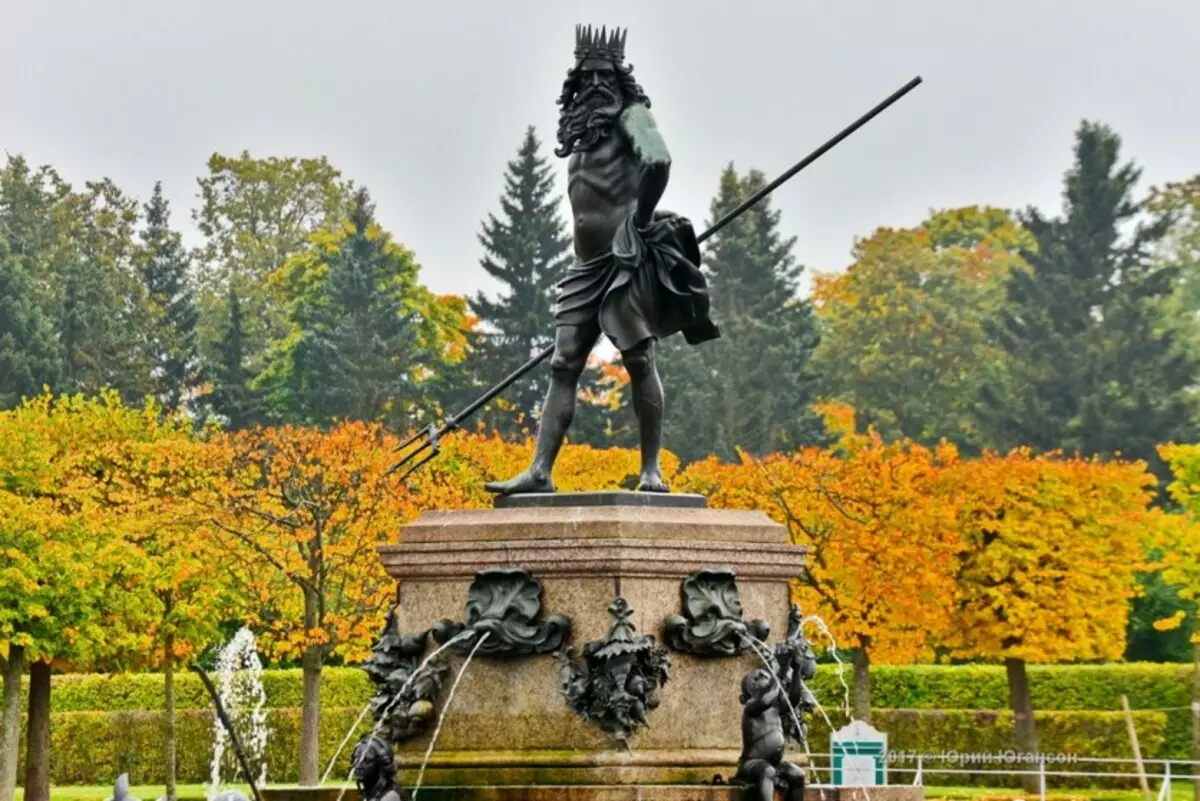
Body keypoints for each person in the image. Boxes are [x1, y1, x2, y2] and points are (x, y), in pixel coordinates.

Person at [485, 25, 719, 496]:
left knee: (638, 358)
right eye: (585, 76)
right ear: (574, 83)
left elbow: (658, 160)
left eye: (603, 77)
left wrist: (643, 217)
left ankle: (651, 470)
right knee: (563, 363)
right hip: (585, 267)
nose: (594, 86)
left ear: (618, 80)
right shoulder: (581, 132)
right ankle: (540, 470)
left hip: (625, 261)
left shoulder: (633, 117)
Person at [735, 668, 806, 801]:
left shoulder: (776, 708)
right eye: (755, 678)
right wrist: (778, 679)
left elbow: (794, 699)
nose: (761, 675)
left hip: (774, 764)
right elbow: (765, 701)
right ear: (750, 690)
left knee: (797, 774)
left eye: (765, 675)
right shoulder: (751, 707)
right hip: (751, 764)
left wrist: (796, 670)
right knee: (768, 771)